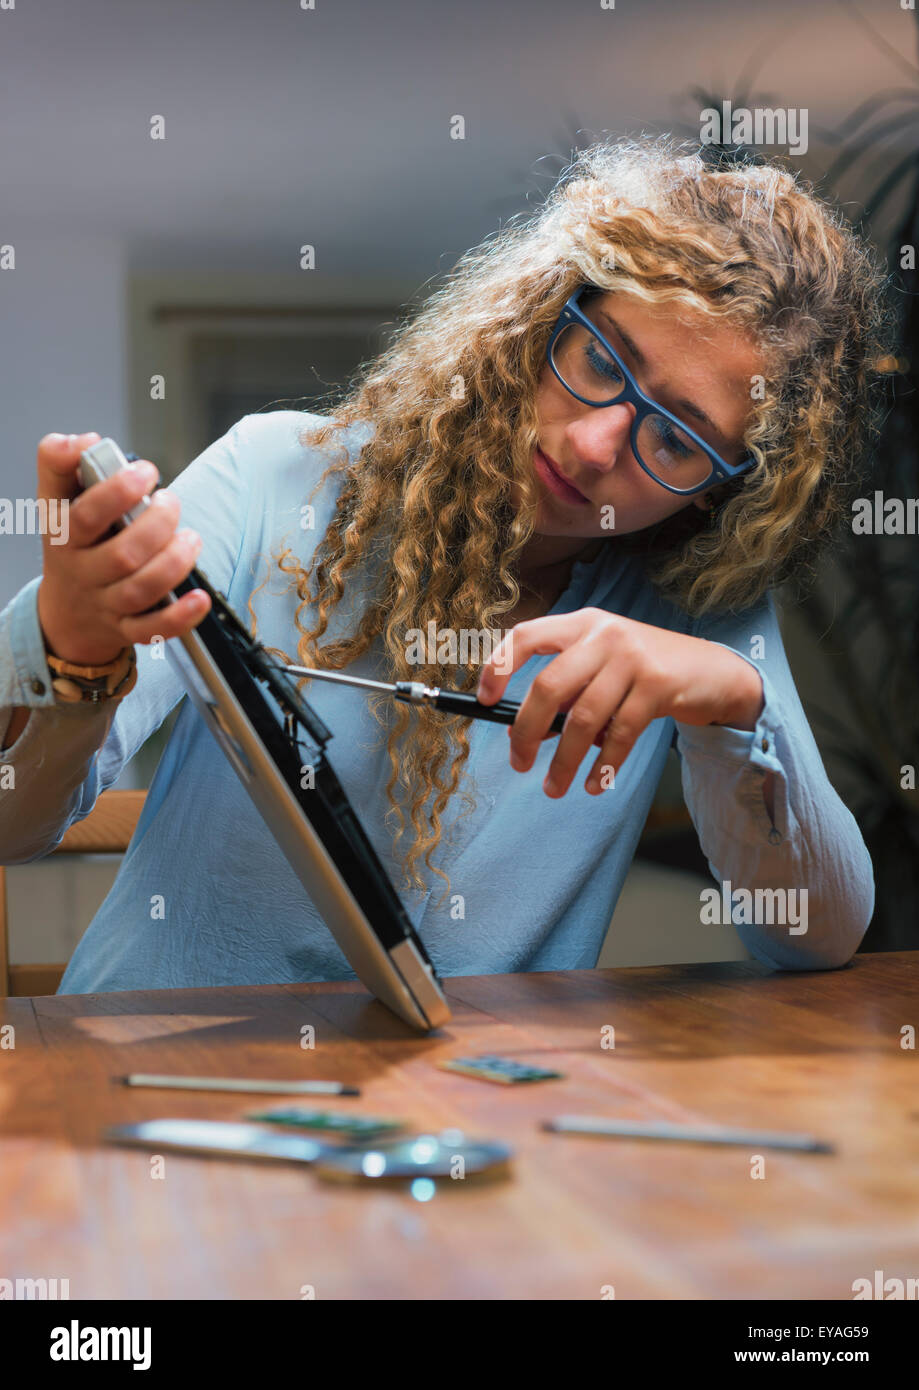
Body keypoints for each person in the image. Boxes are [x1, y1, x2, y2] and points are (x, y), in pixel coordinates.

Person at [0, 135, 892, 994]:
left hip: (471, 1121)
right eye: (600, 358)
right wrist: (74, 654)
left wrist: (738, 703)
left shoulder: (698, 601)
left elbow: (816, 938)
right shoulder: (273, 473)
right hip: (152, 1093)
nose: (590, 445)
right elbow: (13, 827)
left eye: (674, 436)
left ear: (723, 491)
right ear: (545, 315)